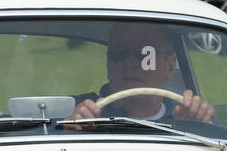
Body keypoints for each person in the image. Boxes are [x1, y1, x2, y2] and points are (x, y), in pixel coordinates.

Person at [64, 22, 215, 128]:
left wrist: (194, 127)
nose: (130, 64)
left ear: (170, 66)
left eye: (144, 55)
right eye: (119, 54)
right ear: (108, 63)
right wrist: (73, 128)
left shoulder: (190, 114)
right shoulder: (76, 110)